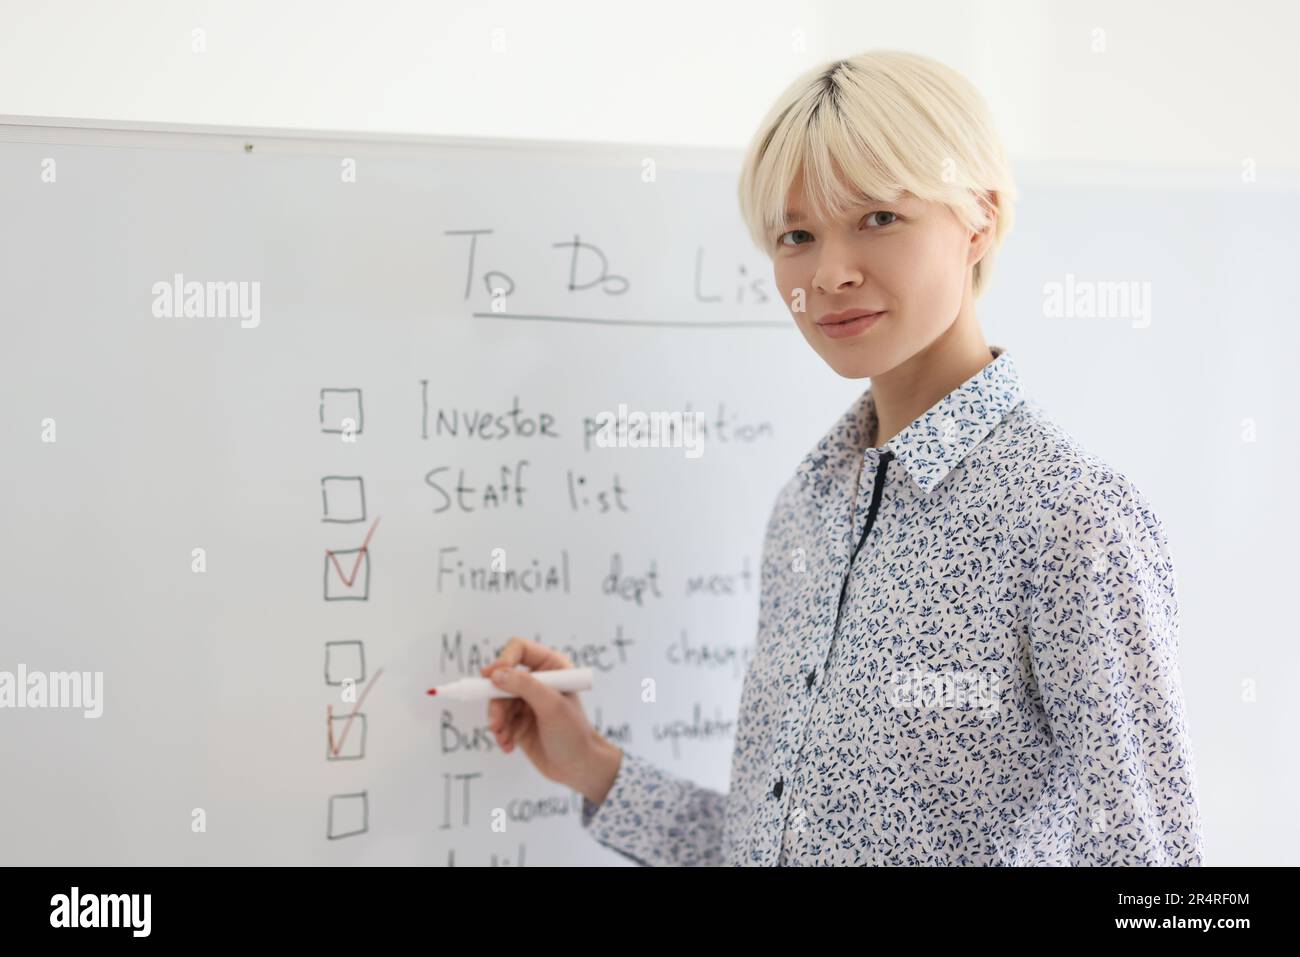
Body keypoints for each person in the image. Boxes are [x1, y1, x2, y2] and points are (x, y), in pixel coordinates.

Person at [481, 50, 1205, 866]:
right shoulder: (809, 506)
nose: (828, 274)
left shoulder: (1072, 520)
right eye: (797, 235)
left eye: (877, 218)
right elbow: (773, 846)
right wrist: (596, 767)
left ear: (980, 219)